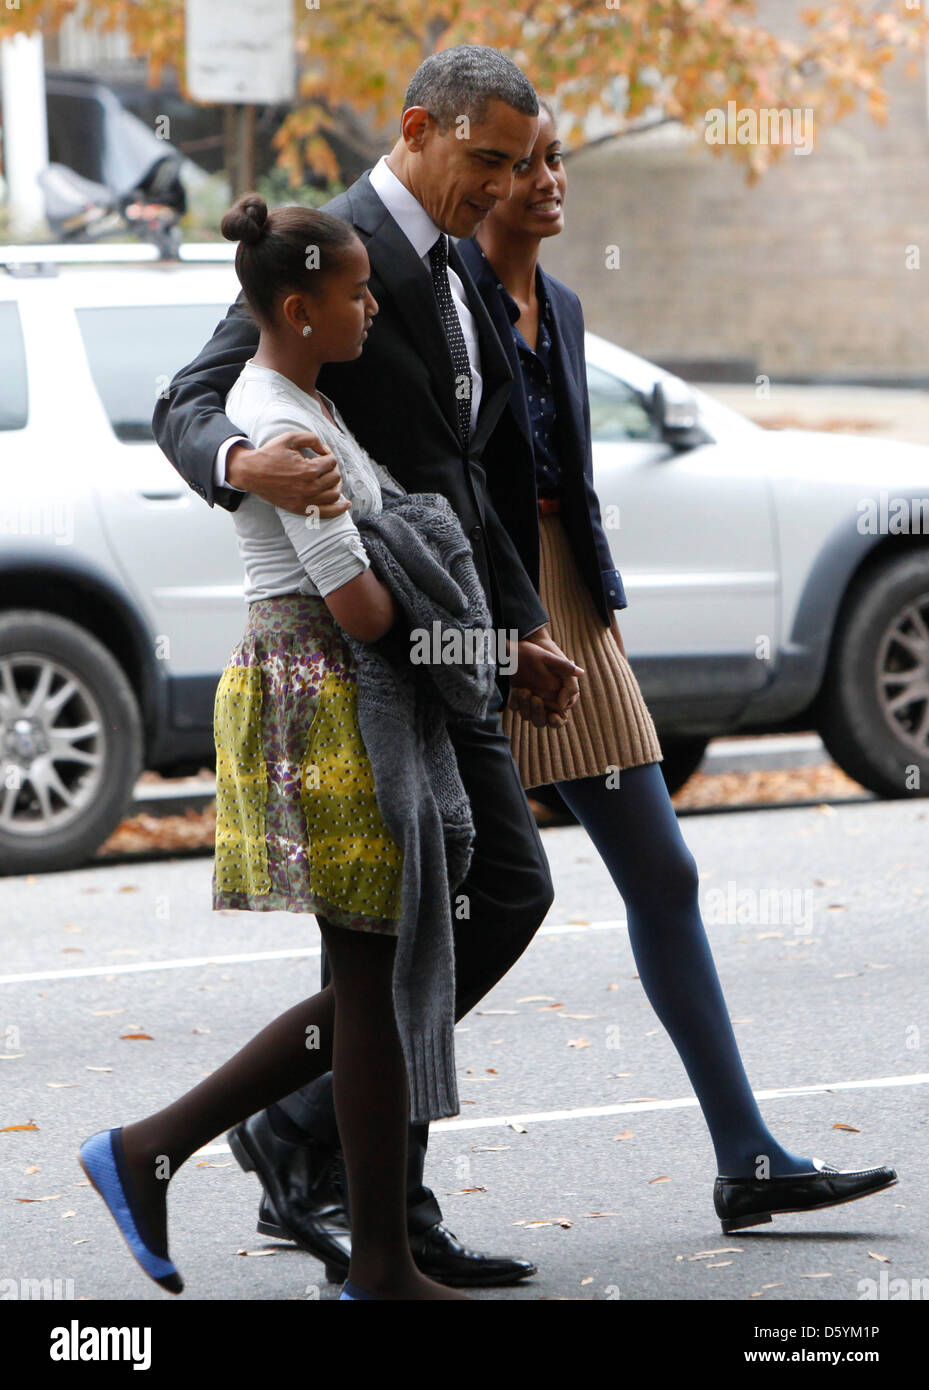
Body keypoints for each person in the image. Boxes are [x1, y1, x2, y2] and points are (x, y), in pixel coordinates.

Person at [151, 46, 579, 1287]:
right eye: (486, 160)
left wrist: (519, 624)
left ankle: (320, 1153)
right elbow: (190, 400)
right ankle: (351, 1183)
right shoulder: (323, 248)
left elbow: (473, 468)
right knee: (467, 903)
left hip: (452, 644)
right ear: (419, 130)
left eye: (518, 162)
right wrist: (246, 465)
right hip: (372, 655)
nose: (503, 185)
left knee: (489, 896)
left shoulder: (453, 271)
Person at [454, 98, 897, 1233]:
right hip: (478, 620)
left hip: (572, 611)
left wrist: (592, 604)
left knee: (663, 875)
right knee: (451, 906)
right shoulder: (440, 296)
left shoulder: (559, 303)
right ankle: (312, 1131)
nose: (551, 180)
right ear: (479, 179)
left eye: (555, 160)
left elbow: (572, 484)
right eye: (527, 164)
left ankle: (744, 1154)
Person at [78, 192, 501, 1301]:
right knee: (367, 988)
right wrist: (482, 645)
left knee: (368, 987)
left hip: (335, 699)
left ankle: (166, 1160)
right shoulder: (285, 427)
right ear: (302, 307)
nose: (373, 308)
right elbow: (361, 609)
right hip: (326, 704)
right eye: (357, 294)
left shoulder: (305, 398)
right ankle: (366, 1261)